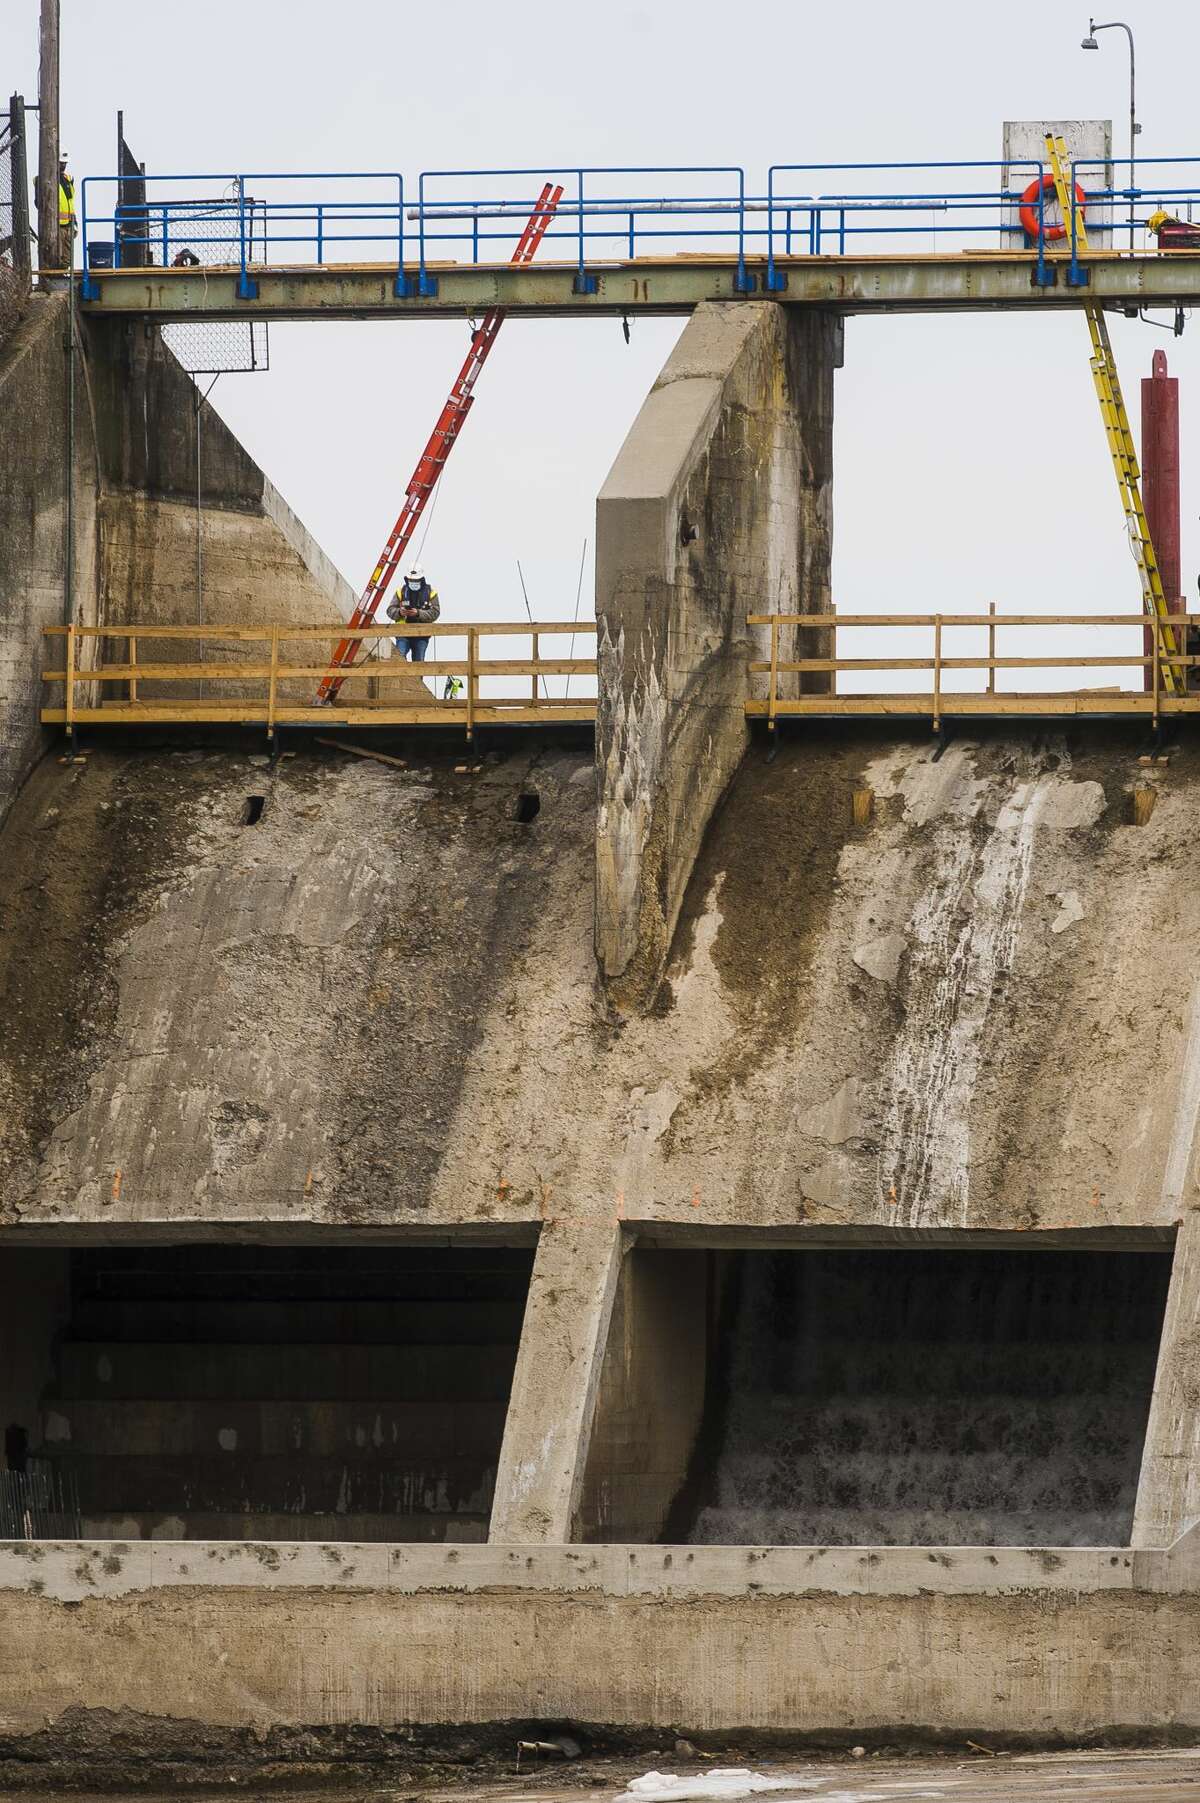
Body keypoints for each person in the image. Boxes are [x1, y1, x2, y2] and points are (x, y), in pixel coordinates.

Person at [386, 564, 440, 662]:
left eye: (416, 581)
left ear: (421, 579)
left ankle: (418, 678)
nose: (413, 583)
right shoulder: (400, 592)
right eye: (411, 580)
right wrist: (400, 612)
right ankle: (401, 677)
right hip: (402, 633)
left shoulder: (431, 592)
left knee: (419, 662)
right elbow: (390, 610)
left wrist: (418, 613)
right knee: (399, 658)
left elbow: (435, 613)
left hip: (422, 634)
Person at [57, 154, 75, 267]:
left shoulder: (68, 179)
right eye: (61, 163)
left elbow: (71, 203)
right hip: (55, 225)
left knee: (67, 258)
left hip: (69, 224)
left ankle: (63, 276)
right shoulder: (45, 179)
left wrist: (75, 223)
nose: (63, 165)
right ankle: (55, 277)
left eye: (65, 163)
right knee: (56, 255)